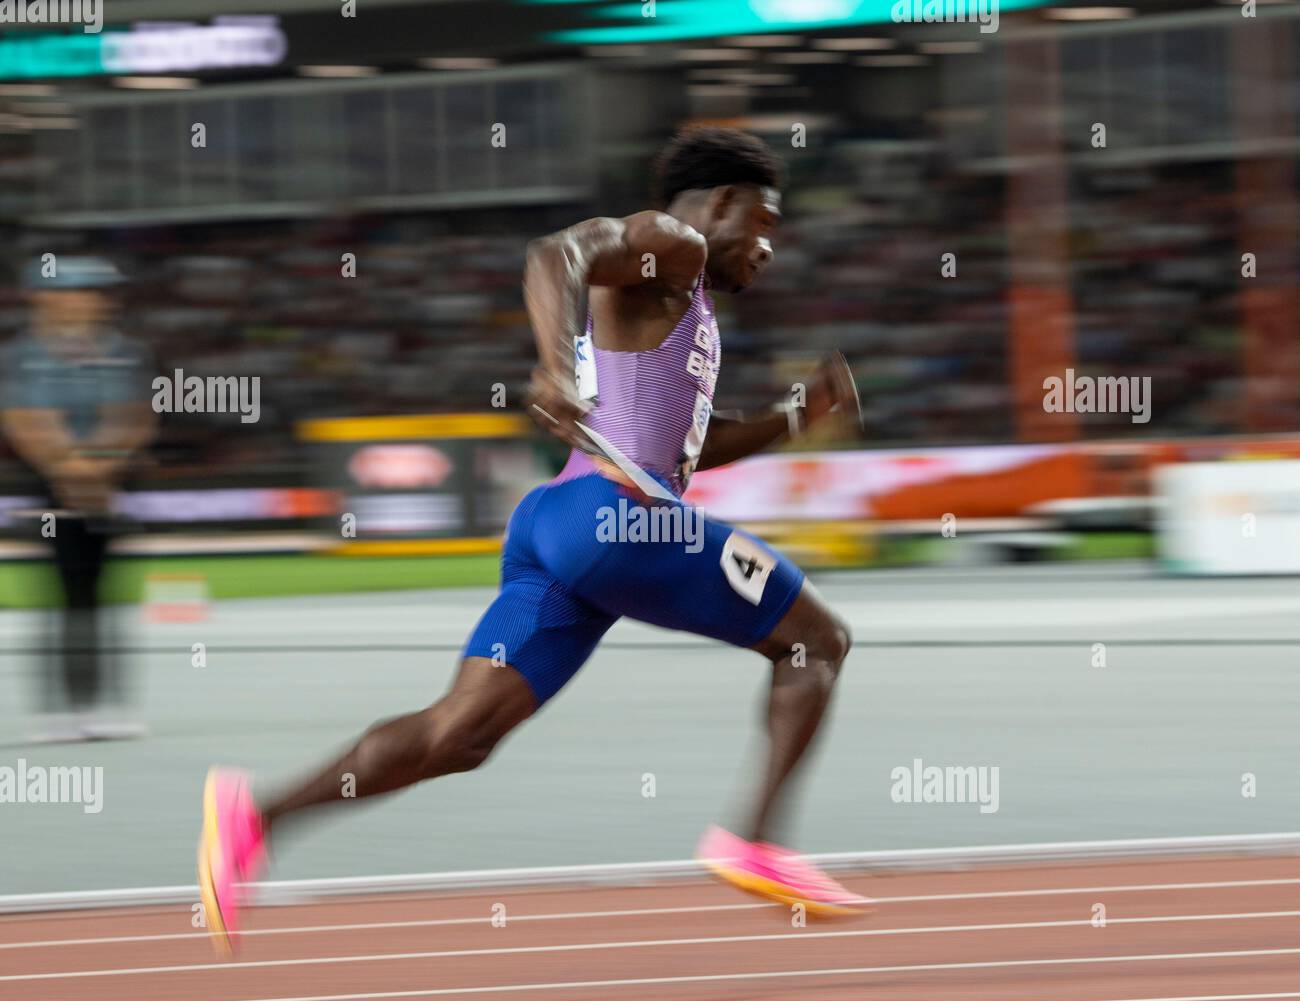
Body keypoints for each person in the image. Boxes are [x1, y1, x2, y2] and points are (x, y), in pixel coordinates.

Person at [198, 127, 868, 954]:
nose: (767, 250)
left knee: (458, 736)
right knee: (818, 641)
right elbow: (557, 254)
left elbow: (693, 449)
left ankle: (255, 817)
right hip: (615, 525)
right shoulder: (679, 243)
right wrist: (553, 366)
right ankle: (758, 840)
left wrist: (796, 415)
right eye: (765, 225)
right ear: (724, 203)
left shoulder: (682, 301)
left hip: (560, 528)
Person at [0, 256, 155, 742]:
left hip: (108, 483)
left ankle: (102, 704)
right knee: (65, 593)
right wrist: (66, 465)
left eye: (95, 292)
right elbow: (23, 417)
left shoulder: (123, 351)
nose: (91, 301)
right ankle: (62, 708)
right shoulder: (24, 354)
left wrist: (99, 464)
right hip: (49, 485)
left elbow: (133, 413)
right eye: (80, 291)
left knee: (101, 594)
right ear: (46, 298)